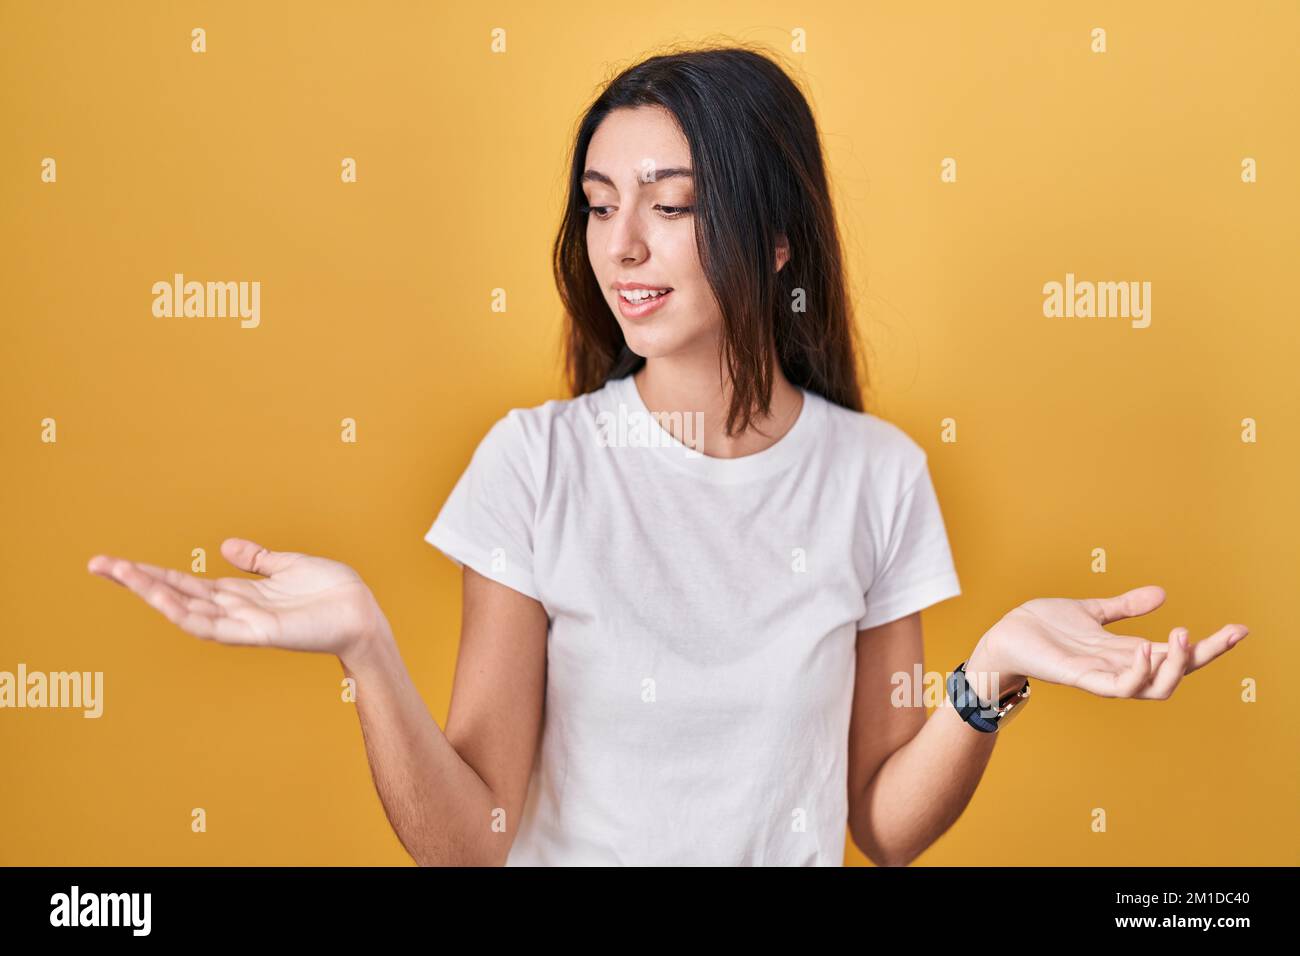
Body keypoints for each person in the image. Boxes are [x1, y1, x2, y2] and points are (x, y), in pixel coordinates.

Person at [87, 44, 1249, 867]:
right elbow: (473, 840)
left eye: (670, 205)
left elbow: (883, 825)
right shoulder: (535, 463)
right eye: (597, 205)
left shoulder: (877, 474)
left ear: (777, 235)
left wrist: (991, 671)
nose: (621, 245)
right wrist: (365, 647)